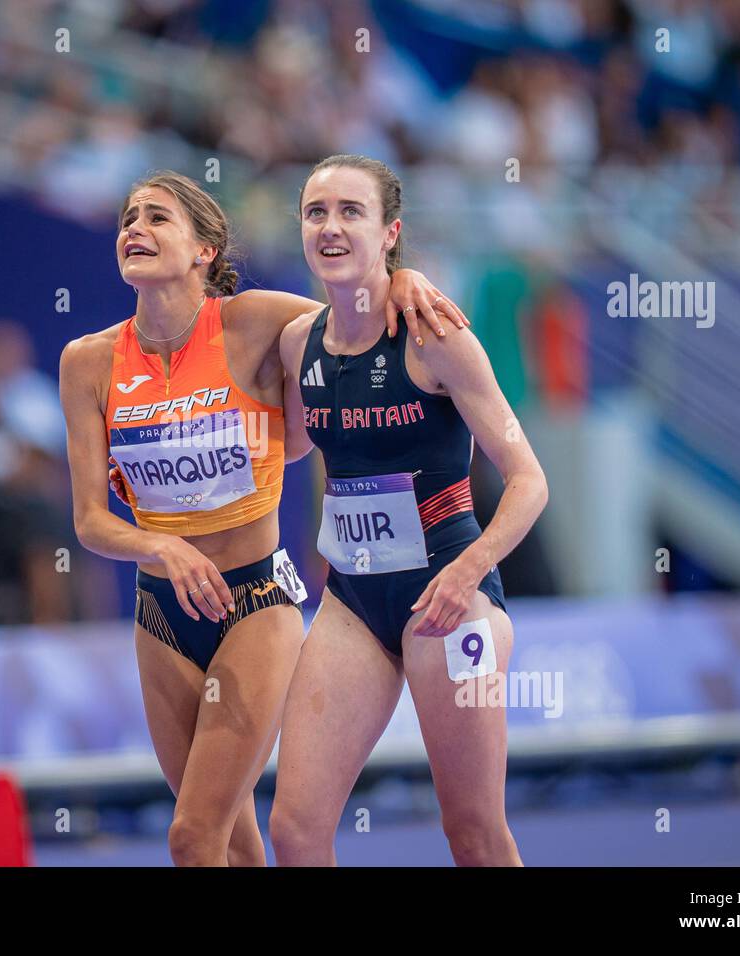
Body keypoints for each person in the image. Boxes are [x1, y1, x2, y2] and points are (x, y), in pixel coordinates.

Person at [60, 170, 463, 866]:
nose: (135, 228)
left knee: (191, 836)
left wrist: (401, 279)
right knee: (233, 844)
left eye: (158, 218)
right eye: (128, 217)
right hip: (162, 610)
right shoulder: (88, 362)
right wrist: (161, 547)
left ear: (204, 250)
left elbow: (354, 310)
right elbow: (91, 521)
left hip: (256, 602)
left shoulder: (252, 321)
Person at [269, 154, 548, 866]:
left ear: (390, 231)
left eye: (350, 211)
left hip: (450, 604)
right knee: (296, 832)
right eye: (315, 212)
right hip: (354, 603)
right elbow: (292, 451)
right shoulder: (298, 341)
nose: (330, 226)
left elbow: (528, 480)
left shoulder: (434, 334)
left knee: (474, 833)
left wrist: (469, 571)